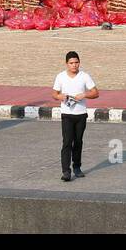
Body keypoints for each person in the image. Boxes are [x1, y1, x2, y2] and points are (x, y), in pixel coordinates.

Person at [53, 50, 98, 182]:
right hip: (67, 114)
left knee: (78, 142)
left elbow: (95, 93)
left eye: (76, 62)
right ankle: (66, 171)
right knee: (67, 142)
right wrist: (60, 96)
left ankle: (77, 167)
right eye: (71, 63)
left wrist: (84, 95)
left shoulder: (84, 76)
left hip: (81, 114)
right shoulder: (60, 77)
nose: (74, 65)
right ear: (66, 64)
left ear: (79, 63)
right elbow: (54, 94)